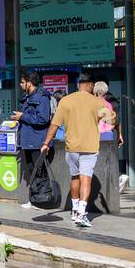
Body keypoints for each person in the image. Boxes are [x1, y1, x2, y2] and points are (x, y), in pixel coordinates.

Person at [41, 73, 103, 228]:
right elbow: (112, 120)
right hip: (89, 147)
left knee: (75, 177)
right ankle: (82, 214)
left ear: (78, 84)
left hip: (72, 147)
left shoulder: (66, 101)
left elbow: (54, 125)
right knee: (86, 179)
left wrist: (46, 143)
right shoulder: (97, 102)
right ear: (90, 85)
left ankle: (75, 210)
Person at [12, 72, 52, 209]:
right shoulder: (27, 97)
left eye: (22, 82)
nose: (20, 85)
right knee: (31, 171)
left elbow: (43, 119)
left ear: (29, 82)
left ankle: (42, 200)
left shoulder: (42, 98)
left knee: (39, 171)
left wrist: (22, 116)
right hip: (27, 140)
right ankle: (35, 198)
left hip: (37, 140)